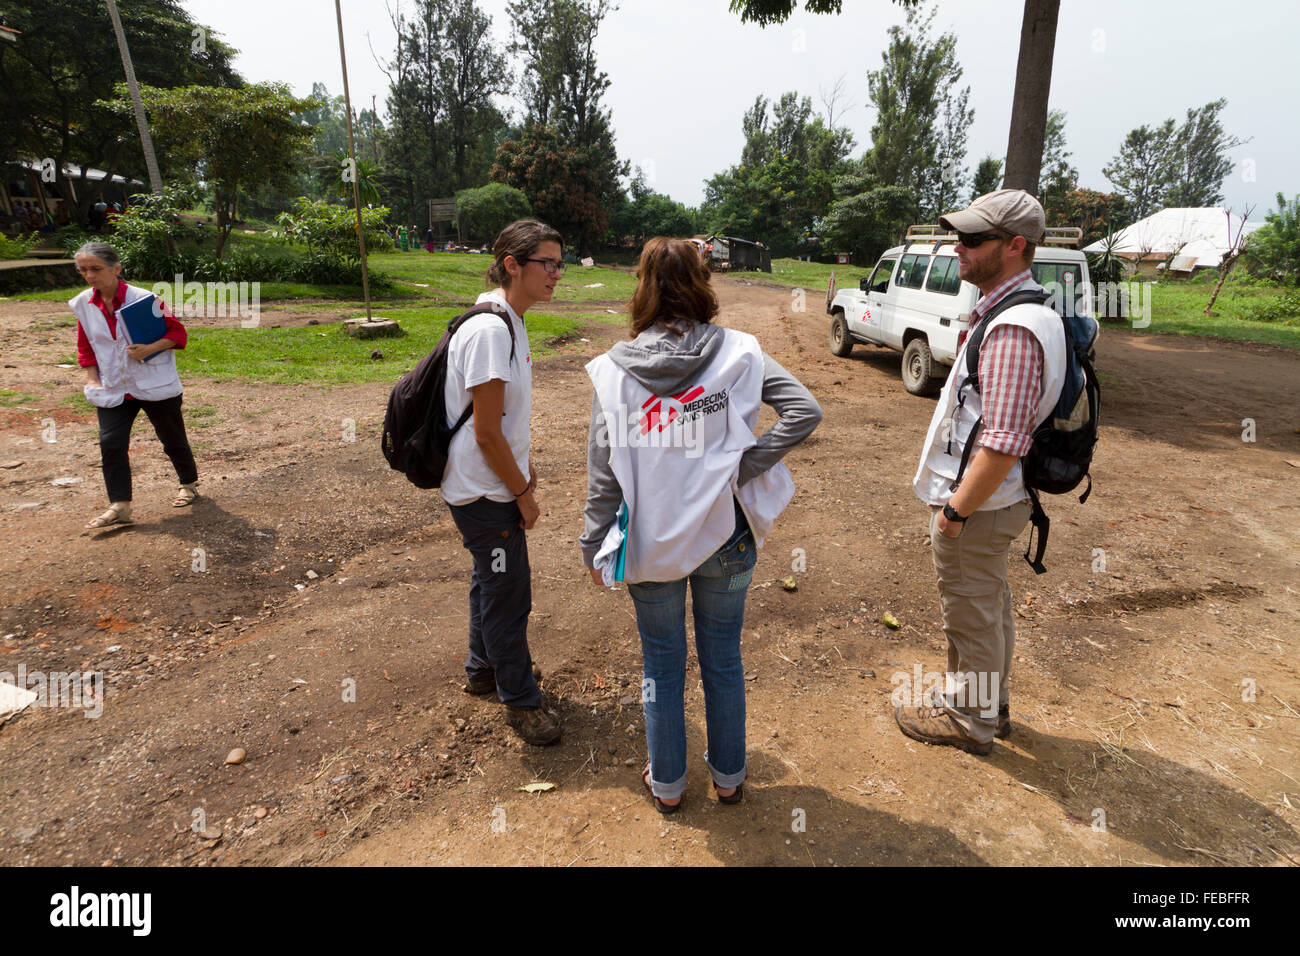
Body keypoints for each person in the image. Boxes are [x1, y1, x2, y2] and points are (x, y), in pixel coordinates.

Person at [580, 237, 821, 813]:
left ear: (641, 287)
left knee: (660, 666)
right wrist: (744, 465)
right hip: (728, 535)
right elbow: (805, 411)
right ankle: (729, 779)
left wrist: (594, 544)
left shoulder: (613, 373)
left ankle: (667, 785)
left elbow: (603, 472)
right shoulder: (740, 354)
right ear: (702, 282)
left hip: (650, 540)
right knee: (723, 658)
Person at [897, 188, 1091, 755]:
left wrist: (955, 511)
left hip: (981, 502)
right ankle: (991, 706)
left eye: (972, 239)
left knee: (972, 613)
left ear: (1014, 246)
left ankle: (969, 721)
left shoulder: (1012, 329)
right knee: (989, 604)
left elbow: (1003, 443)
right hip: (1003, 500)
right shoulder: (1027, 312)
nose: (958, 248)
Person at [442, 219, 564, 747]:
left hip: (488, 483)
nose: (557, 273)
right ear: (513, 265)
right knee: (508, 595)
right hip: (485, 492)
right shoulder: (492, 330)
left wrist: (523, 466)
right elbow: (488, 432)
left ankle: (482, 670)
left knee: (489, 581)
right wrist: (523, 494)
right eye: (547, 263)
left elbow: (499, 423)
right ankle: (520, 700)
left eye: (559, 263)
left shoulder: (508, 318)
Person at [71, 241, 199, 530]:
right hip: (114, 387)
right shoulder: (83, 304)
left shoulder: (144, 300)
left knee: (172, 438)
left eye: (95, 269)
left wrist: (150, 348)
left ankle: (188, 483)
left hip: (154, 383)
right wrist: (92, 378)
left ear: (116, 268)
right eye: (83, 270)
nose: (89, 276)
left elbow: (178, 333)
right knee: (110, 443)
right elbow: (85, 347)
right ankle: (120, 506)